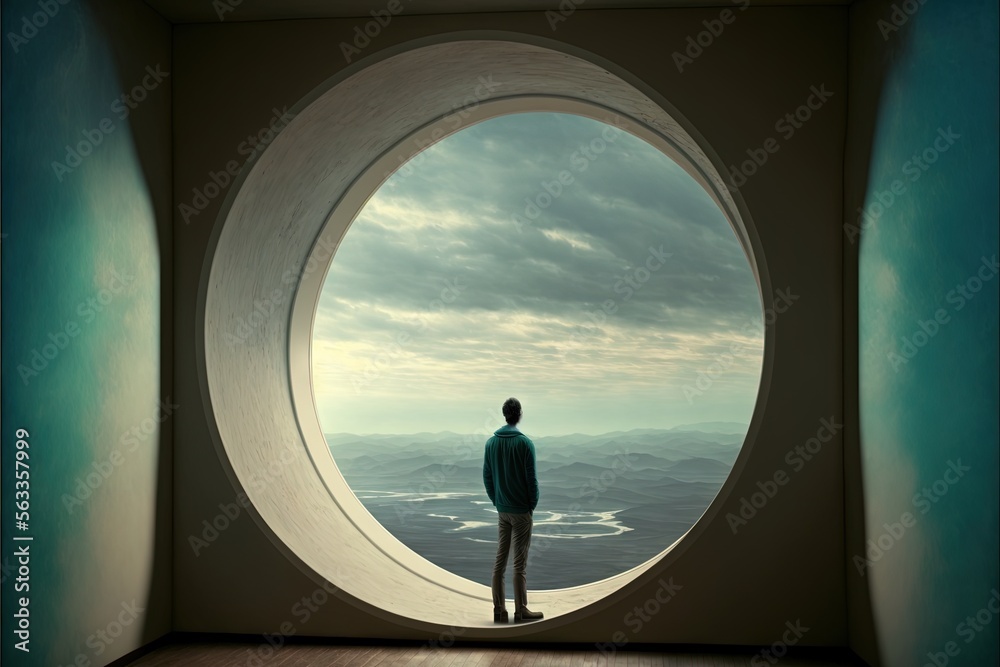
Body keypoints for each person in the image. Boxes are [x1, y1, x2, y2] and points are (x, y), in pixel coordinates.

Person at [482, 397, 543, 624]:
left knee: (500, 560)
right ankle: (521, 611)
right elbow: (531, 481)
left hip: (503, 510)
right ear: (519, 415)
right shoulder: (525, 444)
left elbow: (487, 478)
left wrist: (497, 501)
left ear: (504, 414)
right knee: (519, 563)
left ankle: (499, 610)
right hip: (521, 511)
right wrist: (531, 505)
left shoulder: (491, 443)